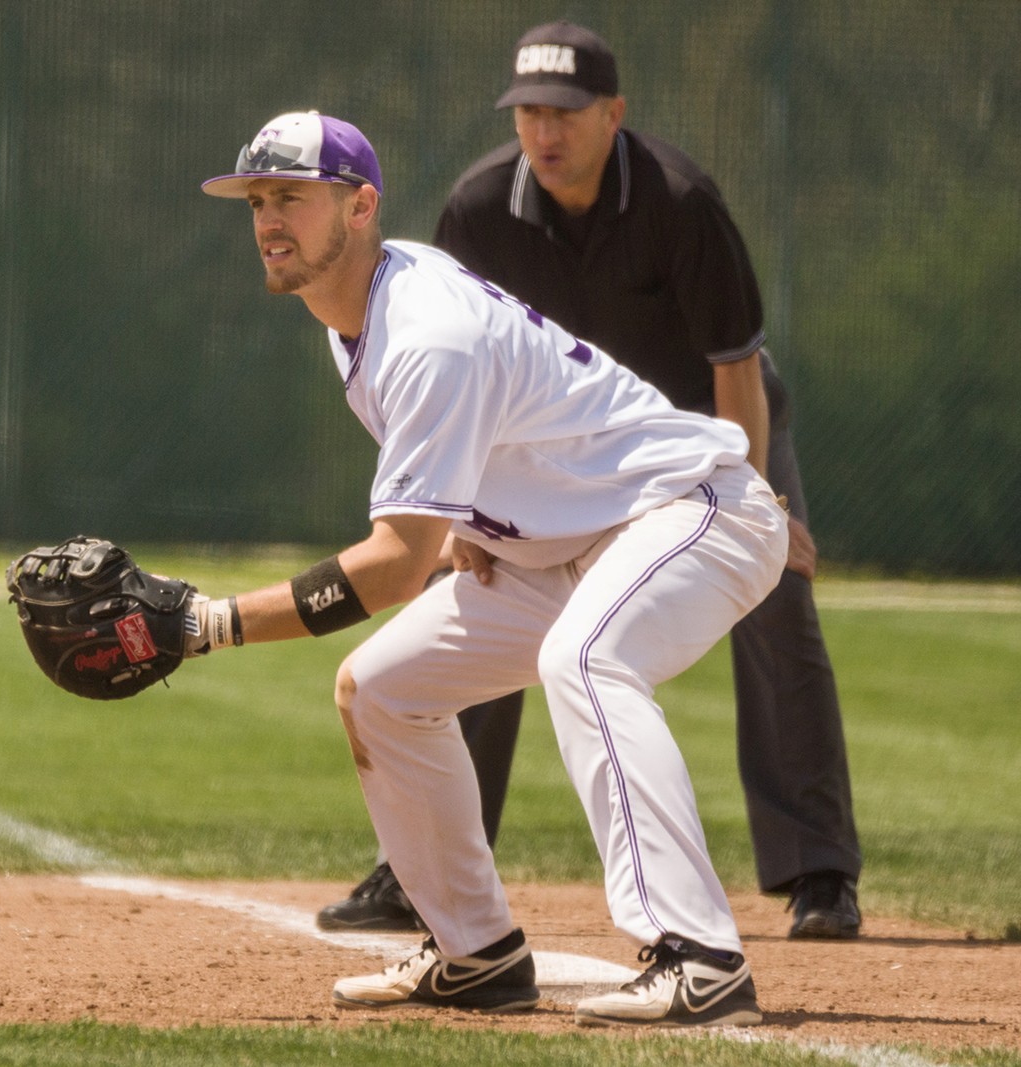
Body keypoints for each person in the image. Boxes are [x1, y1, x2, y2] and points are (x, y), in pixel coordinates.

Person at [193, 109, 784, 1026]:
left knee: (585, 659)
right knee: (381, 689)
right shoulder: (358, 308)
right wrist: (473, 515)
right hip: (570, 544)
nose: (268, 219)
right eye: (257, 200)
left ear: (360, 207)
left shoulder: (424, 332)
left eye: (292, 198)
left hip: (694, 507)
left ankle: (700, 956)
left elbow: (394, 567)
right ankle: (475, 950)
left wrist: (208, 623)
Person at [319, 20, 863, 942]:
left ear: (613, 114)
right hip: (569, 445)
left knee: (776, 604)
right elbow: (454, 370)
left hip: (709, 434)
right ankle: (426, 872)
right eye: (529, 110)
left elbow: (734, 363)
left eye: (567, 110)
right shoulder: (481, 206)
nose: (546, 130)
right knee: (482, 592)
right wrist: (463, 518)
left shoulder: (680, 200)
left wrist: (757, 487)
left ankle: (818, 869)